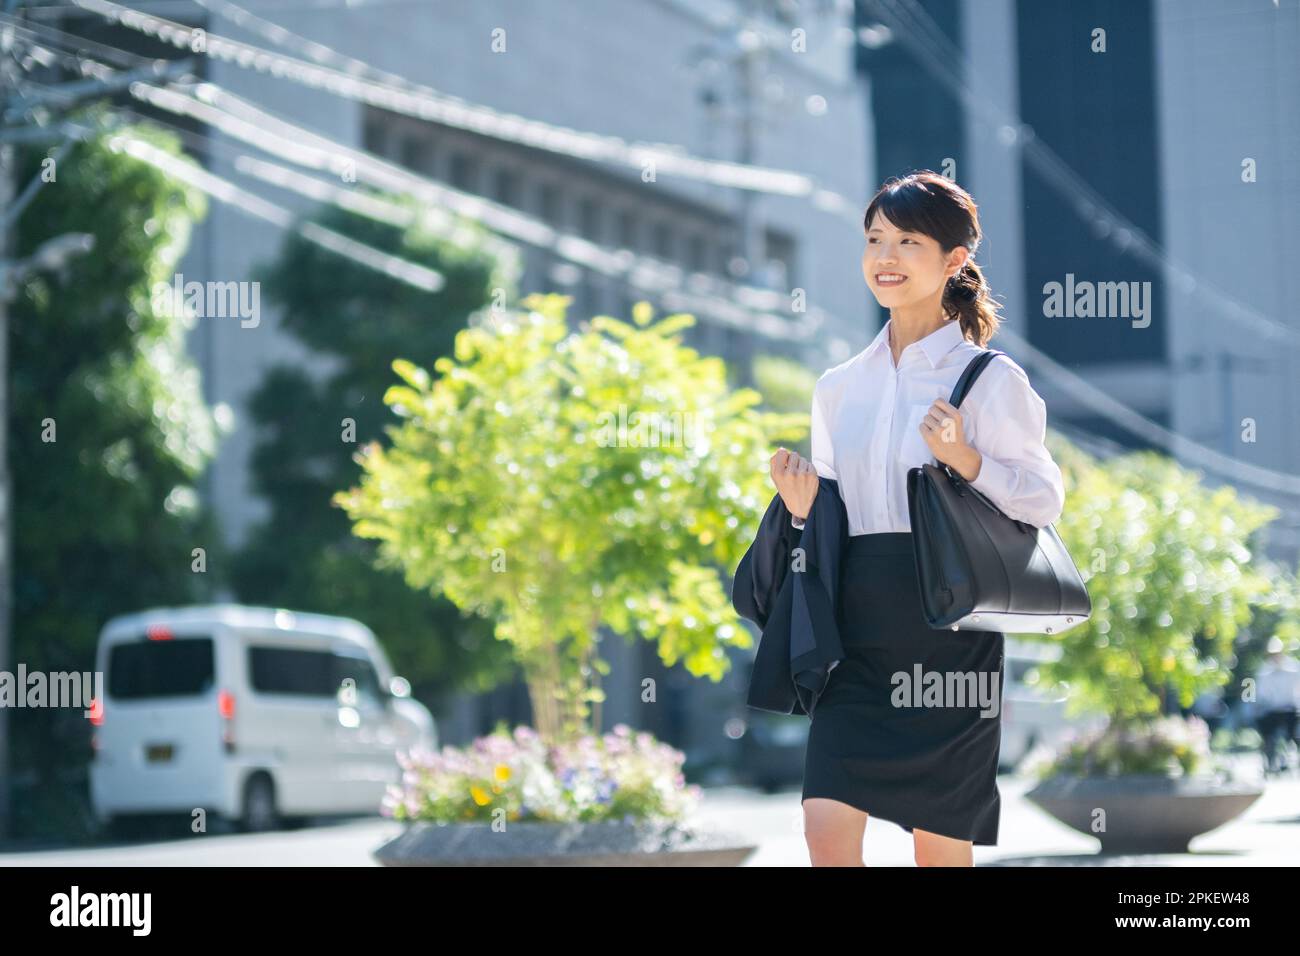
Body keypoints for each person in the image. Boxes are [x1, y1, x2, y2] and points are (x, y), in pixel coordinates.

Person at [769, 171, 1066, 867]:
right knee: (824, 828)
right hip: (856, 631)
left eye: (908, 240)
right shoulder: (838, 386)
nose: (886, 256)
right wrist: (802, 510)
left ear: (954, 260)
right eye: (875, 239)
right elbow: (835, 516)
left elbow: (1042, 501)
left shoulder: (989, 379)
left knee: (938, 845)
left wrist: (964, 458)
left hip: (948, 629)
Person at [1253, 635, 1300, 773]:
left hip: (1290, 710)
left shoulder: (1294, 668)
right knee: (1267, 734)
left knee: (1295, 734)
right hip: (1272, 711)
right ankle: (1270, 761)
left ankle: (1291, 758)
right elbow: (1261, 693)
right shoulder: (1264, 671)